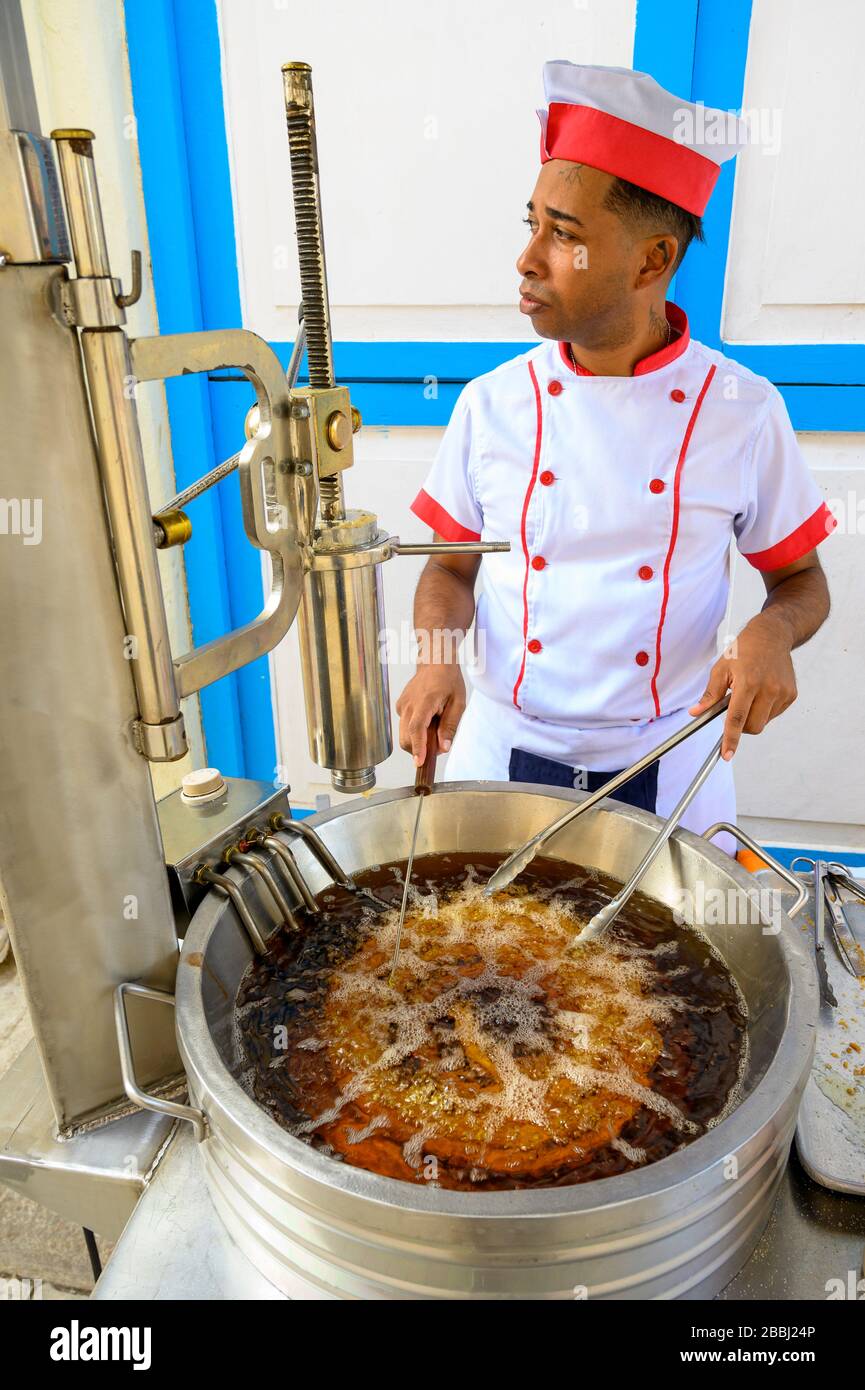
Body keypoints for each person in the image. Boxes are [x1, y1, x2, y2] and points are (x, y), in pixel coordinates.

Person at [397, 62, 834, 853]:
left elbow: (800, 582)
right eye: (529, 224)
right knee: (485, 956)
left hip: (668, 757)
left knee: (664, 971)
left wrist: (768, 634)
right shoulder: (490, 403)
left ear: (649, 260)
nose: (527, 259)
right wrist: (434, 660)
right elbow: (447, 567)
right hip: (499, 747)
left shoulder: (741, 410)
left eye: (563, 234)